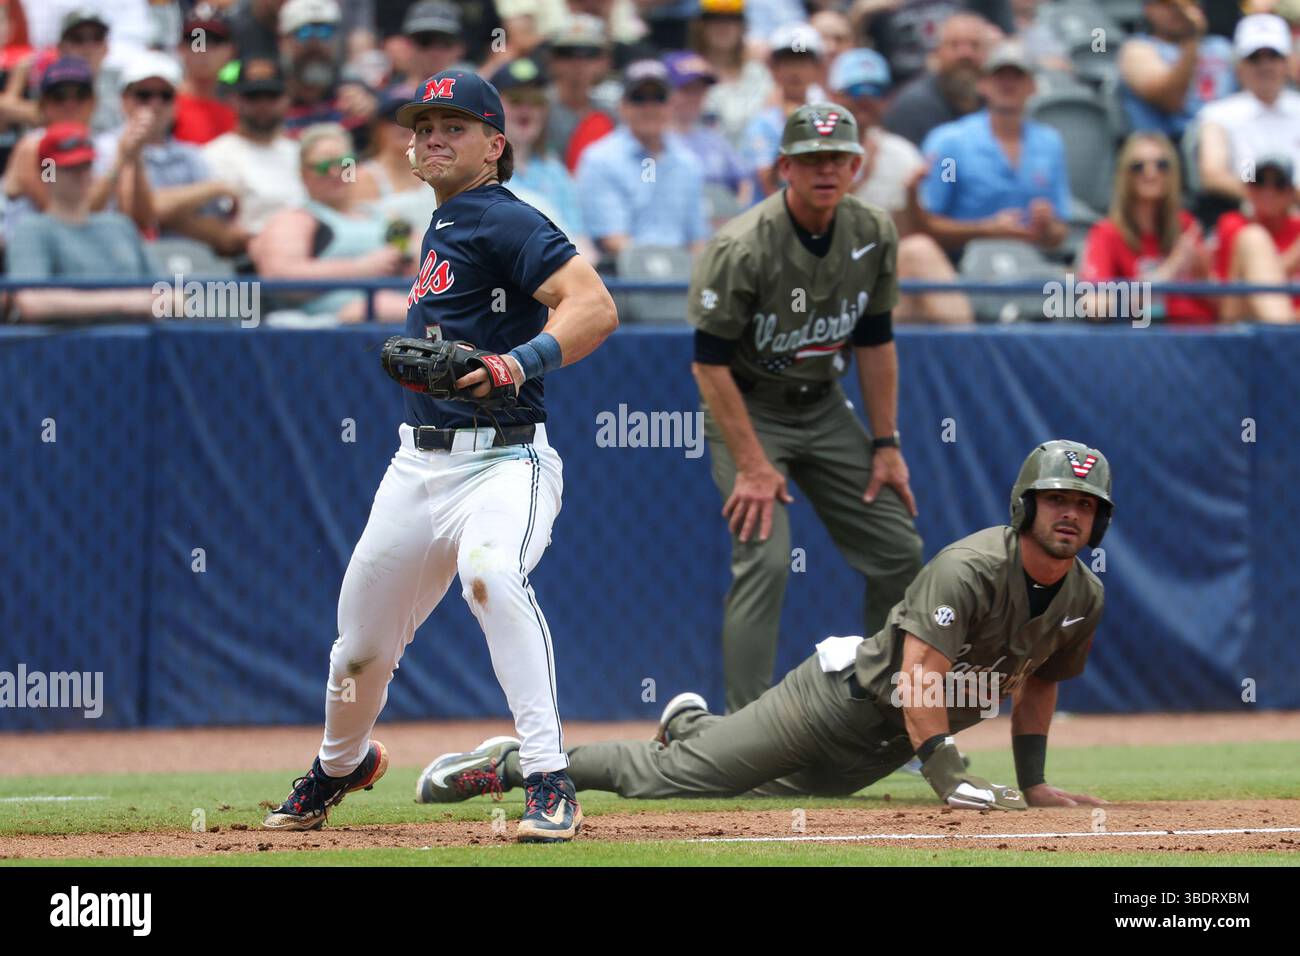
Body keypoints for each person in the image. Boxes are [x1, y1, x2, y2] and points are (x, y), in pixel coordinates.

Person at [263, 69, 619, 843]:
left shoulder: (502, 217)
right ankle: (339, 766)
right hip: (417, 466)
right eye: (424, 126)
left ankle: (550, 779)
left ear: (495, 144)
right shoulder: (445, 219)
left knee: (491, 574)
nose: (433, 137)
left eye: (454, 125)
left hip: (505, 461)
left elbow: (595, 305)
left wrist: (512, 363)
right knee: (358, 651)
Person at [419, 440, 1109, 812]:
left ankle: (695, 724)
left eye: (1084, 504)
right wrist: (946, 770)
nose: (1070, 514)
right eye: (1056, 500)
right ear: (1026, 505)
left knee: (740, 783)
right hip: (835, 706)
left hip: (872, 752)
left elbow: (1041, 682)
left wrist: (1036, 780)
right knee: (675, 781)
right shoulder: (970, 568)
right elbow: (918, 678)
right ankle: (510, 766)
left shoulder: (1084, 595)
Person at [683, 104, 924, 713]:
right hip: (750, 406)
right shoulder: (741, 244)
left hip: (823, 404)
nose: (826, 169)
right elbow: (708, 365)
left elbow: (874, 341)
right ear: (783, 167)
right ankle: (743, 733)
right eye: (811, 160)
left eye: (838, 159)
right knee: (764, 559)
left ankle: (879, 716)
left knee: (900, 551)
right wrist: (753, 464)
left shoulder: (873, 230)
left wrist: (886, 443)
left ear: (856, 166)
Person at [917, 43, 1071, 259]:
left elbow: (1060, 231)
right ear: (983, 84)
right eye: (999, 76)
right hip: (963, 267)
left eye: (1017, 76)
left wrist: (1047, 227)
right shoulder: (950, 144)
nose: (1008, 84)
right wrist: (985, 229)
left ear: (1032, 86)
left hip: (1031, 266)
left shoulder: (1050, 143)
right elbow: (928, 222)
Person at [249, 123, 409, 322]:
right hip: (334, 326)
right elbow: (280, 278)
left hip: (401, 317)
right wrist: (360, 269)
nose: (335, 173)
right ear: (304, 175)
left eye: (344, 164)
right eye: (324, 166)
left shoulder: (385, 216)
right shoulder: (296, 219)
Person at [94, 51, 247, 256]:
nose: (155, 104)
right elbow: (134, 217)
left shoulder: (192, 155)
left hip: (190, 270)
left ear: (176, 103)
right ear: (124, 100)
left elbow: (225, 236)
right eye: (144, 95)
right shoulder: (102, 148)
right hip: (119, 266)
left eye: (165, 95)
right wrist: (211, 189)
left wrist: (166, 213)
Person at [8, 122, 158, 322]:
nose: (81, 174)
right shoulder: (32, 229)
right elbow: (32, 301)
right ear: (47, 172)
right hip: (69, 349)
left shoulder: (121, 225)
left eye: (86, 165)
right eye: (70, 167)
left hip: (140, 347)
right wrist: (123, 302)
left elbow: (167, 291)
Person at [575, 59, 708, 261]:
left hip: (680, 278)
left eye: (658, 98)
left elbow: (698, 240)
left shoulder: (688, 162)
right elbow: (612, 240)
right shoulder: (599, 159)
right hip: (624, 279)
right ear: (622, 106)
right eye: (639, 98)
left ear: (671, 105)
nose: (649, 107)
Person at [1079, 132, 1217, 323]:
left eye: (1161, 165)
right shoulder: (1107, 233)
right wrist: (1171, 268)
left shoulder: (1186, 226)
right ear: (1124, 174)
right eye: (1138, 166)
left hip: (1201, 335)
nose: (1151, 173)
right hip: (1148, 341)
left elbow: (1223, 307)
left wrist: (1205, 278)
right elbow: (1095, 308)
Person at [1197, 14, 1300, 208]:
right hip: (1247, 213)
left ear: (1288, 62)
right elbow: (1213, 175)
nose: (1265, 65)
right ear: (1239, 66)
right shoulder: (1218, 115)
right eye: (1254, 57)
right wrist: (1271, 200)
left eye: (1274, 55)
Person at [490, 56, 589, 248]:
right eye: (516, 100)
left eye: (536, 100)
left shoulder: (555, 171)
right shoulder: (479, 169)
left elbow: (580, 239)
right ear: (493, 108)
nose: (527, 109)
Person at [201, 57, 306, 235]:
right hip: (246, 252)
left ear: (287, 100)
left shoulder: (300, 152)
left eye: (272, 96)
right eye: (253, 97)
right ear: (235, 100)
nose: (263, 105)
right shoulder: (213, 155)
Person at [1118, 0, 1235, 144]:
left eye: (1187, 2)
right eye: (1167, 3)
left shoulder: (1222, 47)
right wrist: (1191, 37)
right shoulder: (1137, 50)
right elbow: (1172, 99)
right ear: (1147, 8)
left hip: (1227, 142)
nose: (1178, 10)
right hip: (1170, 150)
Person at [1211, 154, 1300, 322]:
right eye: (1259, 182)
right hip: (1239, 321)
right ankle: (1285, 336)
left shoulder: (1297, 227)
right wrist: (1294, 256)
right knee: (1254, 237)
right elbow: (1247, 286)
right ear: (1248, 189)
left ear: (1291, 193)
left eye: (1279, 184)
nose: (1268, 191)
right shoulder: (1233, 223)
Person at [742, 22, 826, 197]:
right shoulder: (761, 123)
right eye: (788, 63)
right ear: (773, 69)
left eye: (802, 62)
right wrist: (793, 128)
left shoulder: (828, 117)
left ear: (817, 68)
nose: (795, 71)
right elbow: (770, 184)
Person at [882, 12, 991, 147]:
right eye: (954, 45)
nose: (965, 54)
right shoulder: (913, 107)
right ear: (937, 52)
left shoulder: (998, 102)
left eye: (975, 45)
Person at [663, 50, 751, 208]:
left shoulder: (713, 138)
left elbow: (744, 181)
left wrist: (737, 214)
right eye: (687, 90)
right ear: (665, 91)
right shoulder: (652, 139)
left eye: (700, 89)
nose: (695, 97)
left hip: (720, 223)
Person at [691, 0, 773, 150]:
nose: (723, 26)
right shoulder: (688, 73)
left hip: (756, 160)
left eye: (732, 19)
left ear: (743, 26)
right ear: (701, 26)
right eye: (714, 19)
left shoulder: (758, 72)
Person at [544, 13, 617, 173]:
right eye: (567, 53)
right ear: (551, 60)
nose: (578, 62)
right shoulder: (536, 110)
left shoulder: (612, 114)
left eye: (589, 53)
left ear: (605, 61)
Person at [173, 2, 237, 145]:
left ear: (231, 51)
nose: (203, 51)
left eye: (214, 42)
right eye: (196, 41)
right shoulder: (162, 102)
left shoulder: (243, 109)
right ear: (180, 49)